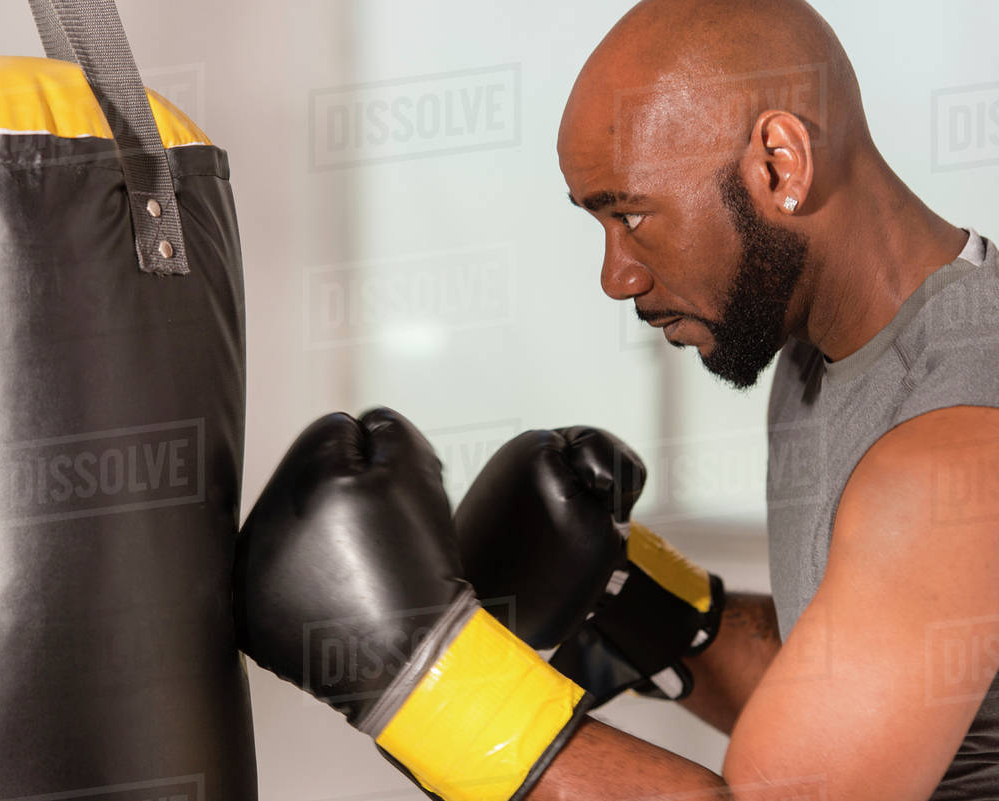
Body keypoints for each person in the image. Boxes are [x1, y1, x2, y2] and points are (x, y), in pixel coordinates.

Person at [236, 1, 999, 799]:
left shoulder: (952, 441)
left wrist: (422, 676)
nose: (617, 278)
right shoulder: (825, 355)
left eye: (633, 215)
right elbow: (861, 711)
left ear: (781, 164)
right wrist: (638, 600)